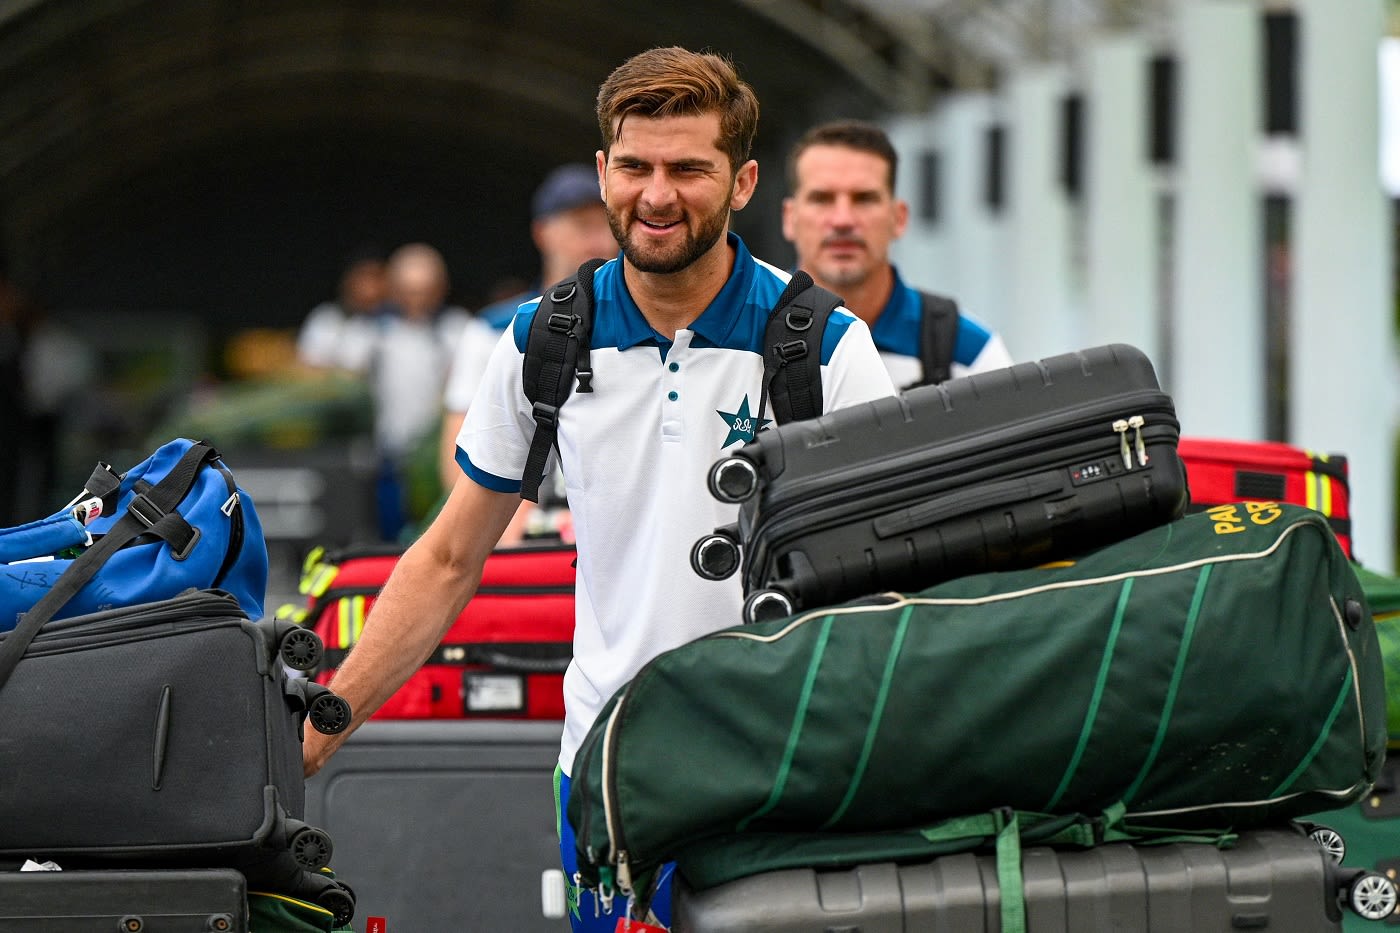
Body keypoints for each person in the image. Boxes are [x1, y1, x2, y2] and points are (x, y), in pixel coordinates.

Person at [302, 46, 896, 931]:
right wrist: (323, 728)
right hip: (606, 776)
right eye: (635, 167)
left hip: (782, 779)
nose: (657, 195)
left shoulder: (824, 349)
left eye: (689, 168)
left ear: (743, 185)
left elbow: (892, 581)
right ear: (603, 171)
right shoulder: (547, 340)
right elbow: (451, 554)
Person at [436, 163, 618, 535]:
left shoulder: (648, 324)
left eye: (607, 224)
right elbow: (459, 453)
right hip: (526, 537)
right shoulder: (495, 330)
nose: (598, 239)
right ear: (542, 233)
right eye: (583, 226)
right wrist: (498, 541)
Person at [783, 119, 1013, 385]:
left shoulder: (969, 354)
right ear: (790, 218)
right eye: (821, 199)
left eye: (864, 199)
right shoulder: (743, 339)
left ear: (899, 218)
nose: (842, 220)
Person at [368, 242, 470, 540]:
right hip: (389, 458)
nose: (418, 299)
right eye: (409, 290)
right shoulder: (374, 333)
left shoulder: (458, 329)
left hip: (439, 458)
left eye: (426, 290)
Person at [295, 248, 388, 371]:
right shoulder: (324, 317)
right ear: (348, 280)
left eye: (376, 278)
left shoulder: (391, 324)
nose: (369, 287)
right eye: (363, 277)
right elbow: (305, 364)